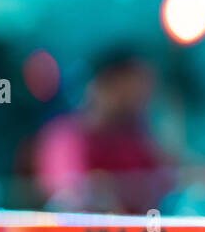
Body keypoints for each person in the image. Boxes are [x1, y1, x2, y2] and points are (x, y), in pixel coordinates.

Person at [29, 48, 176, 214]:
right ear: (104, 85)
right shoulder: (65, 138)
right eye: (132, 88)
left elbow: (172, 180)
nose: (142, 97)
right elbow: (68, 198)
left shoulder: (139, 139)